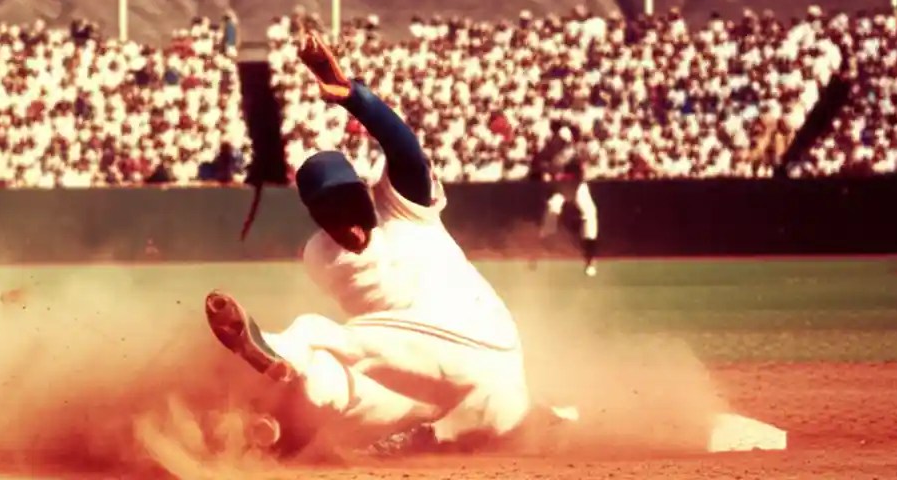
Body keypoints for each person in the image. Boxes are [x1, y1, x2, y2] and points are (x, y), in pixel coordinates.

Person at [203, 30, 530, 455]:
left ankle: (273, 349)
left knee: (315, 332)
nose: (348, 223)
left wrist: (356, 98)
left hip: (484, 345)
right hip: (436, 384)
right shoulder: (321, 255)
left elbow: (405, 149)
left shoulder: (403, 207)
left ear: (365, 193)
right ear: (318, 219)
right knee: (327, 379)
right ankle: (273, 431)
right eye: (332, 214)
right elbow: (386, 357)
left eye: (351, 204)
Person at [531, 121, 600, 276]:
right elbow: (541, 165)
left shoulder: (575, 151)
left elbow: (581, 170)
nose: (558, 142)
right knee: (552, 209)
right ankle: (538, 254)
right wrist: (546, 170)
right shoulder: (551, 152)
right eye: (557, 140)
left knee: (590, 213)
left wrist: (583, 151)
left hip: (577, 187)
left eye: (561, 140)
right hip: (561, 188)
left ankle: (590, 260)